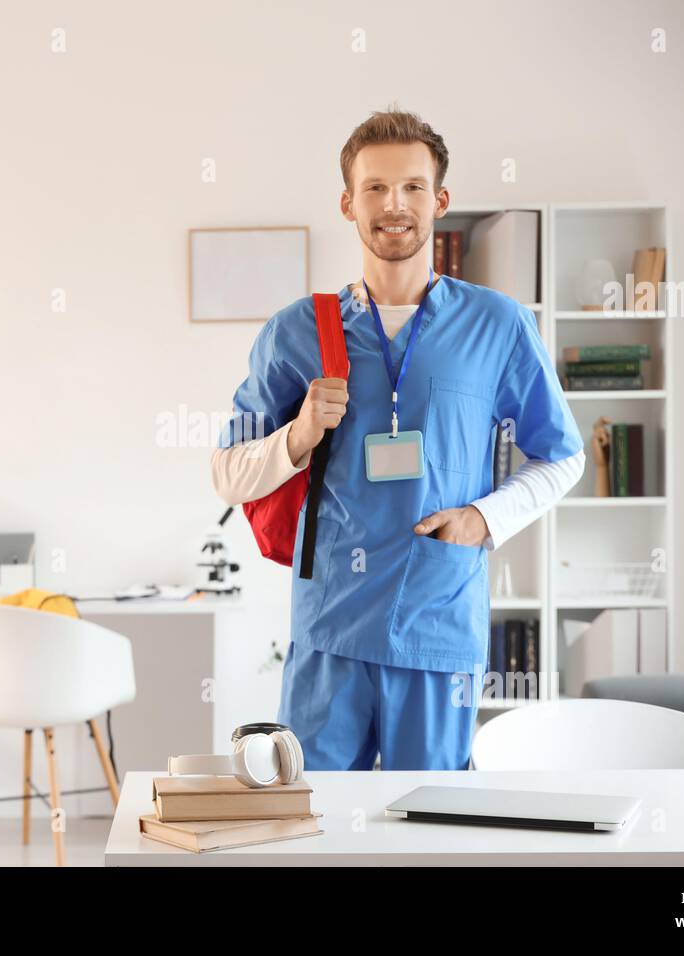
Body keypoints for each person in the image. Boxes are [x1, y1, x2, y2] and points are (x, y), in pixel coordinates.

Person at [210, 108, 585, 771]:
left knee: (431, 828)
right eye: (376, 188)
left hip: (437, 629)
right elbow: (228, 474)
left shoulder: (497, 326)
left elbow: (564, 455)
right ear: (348, 202)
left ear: (440, 199)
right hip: (330, 631)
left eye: (413, 187)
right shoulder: (297, 331)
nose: (395, 205)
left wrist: (484, 518)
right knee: (318, 825)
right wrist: (298, 434)